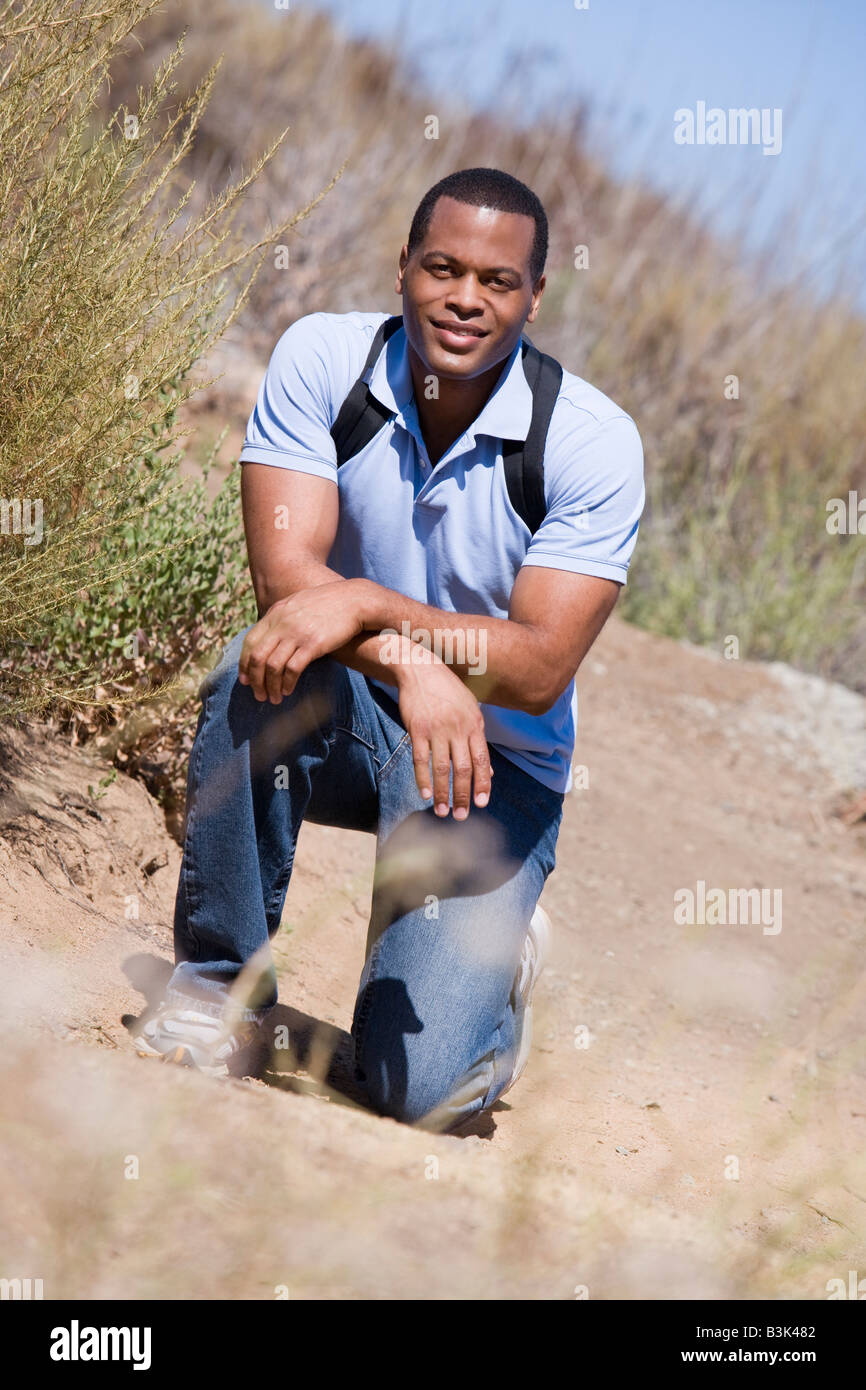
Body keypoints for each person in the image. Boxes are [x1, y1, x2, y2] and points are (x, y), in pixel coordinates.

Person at [136, 166, 644, 1132]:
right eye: (442, 268)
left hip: (498, 768)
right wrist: (414, 666)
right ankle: (215, 992)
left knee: (416, 1097)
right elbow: (289, 589)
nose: (464, 298)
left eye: (498, 282)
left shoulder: (590, 444)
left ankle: (499, 981)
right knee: (266, 663)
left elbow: (536, 670)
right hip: (362, 712)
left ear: (537, 296)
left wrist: (368, 599)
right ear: (402, 264)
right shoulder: (325, 361)